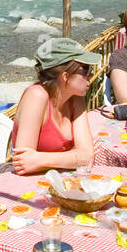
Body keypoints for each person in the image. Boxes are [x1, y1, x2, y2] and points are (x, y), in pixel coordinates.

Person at [11, 38, 96, 175]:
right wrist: (73, 158)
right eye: (86, 70)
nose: (91, 75)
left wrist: (40, 159)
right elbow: (23, 163)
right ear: (66, 76)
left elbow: (87, 157)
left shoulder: (75, 97)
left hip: (58, 179)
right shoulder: (37, 96)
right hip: (26, 181)